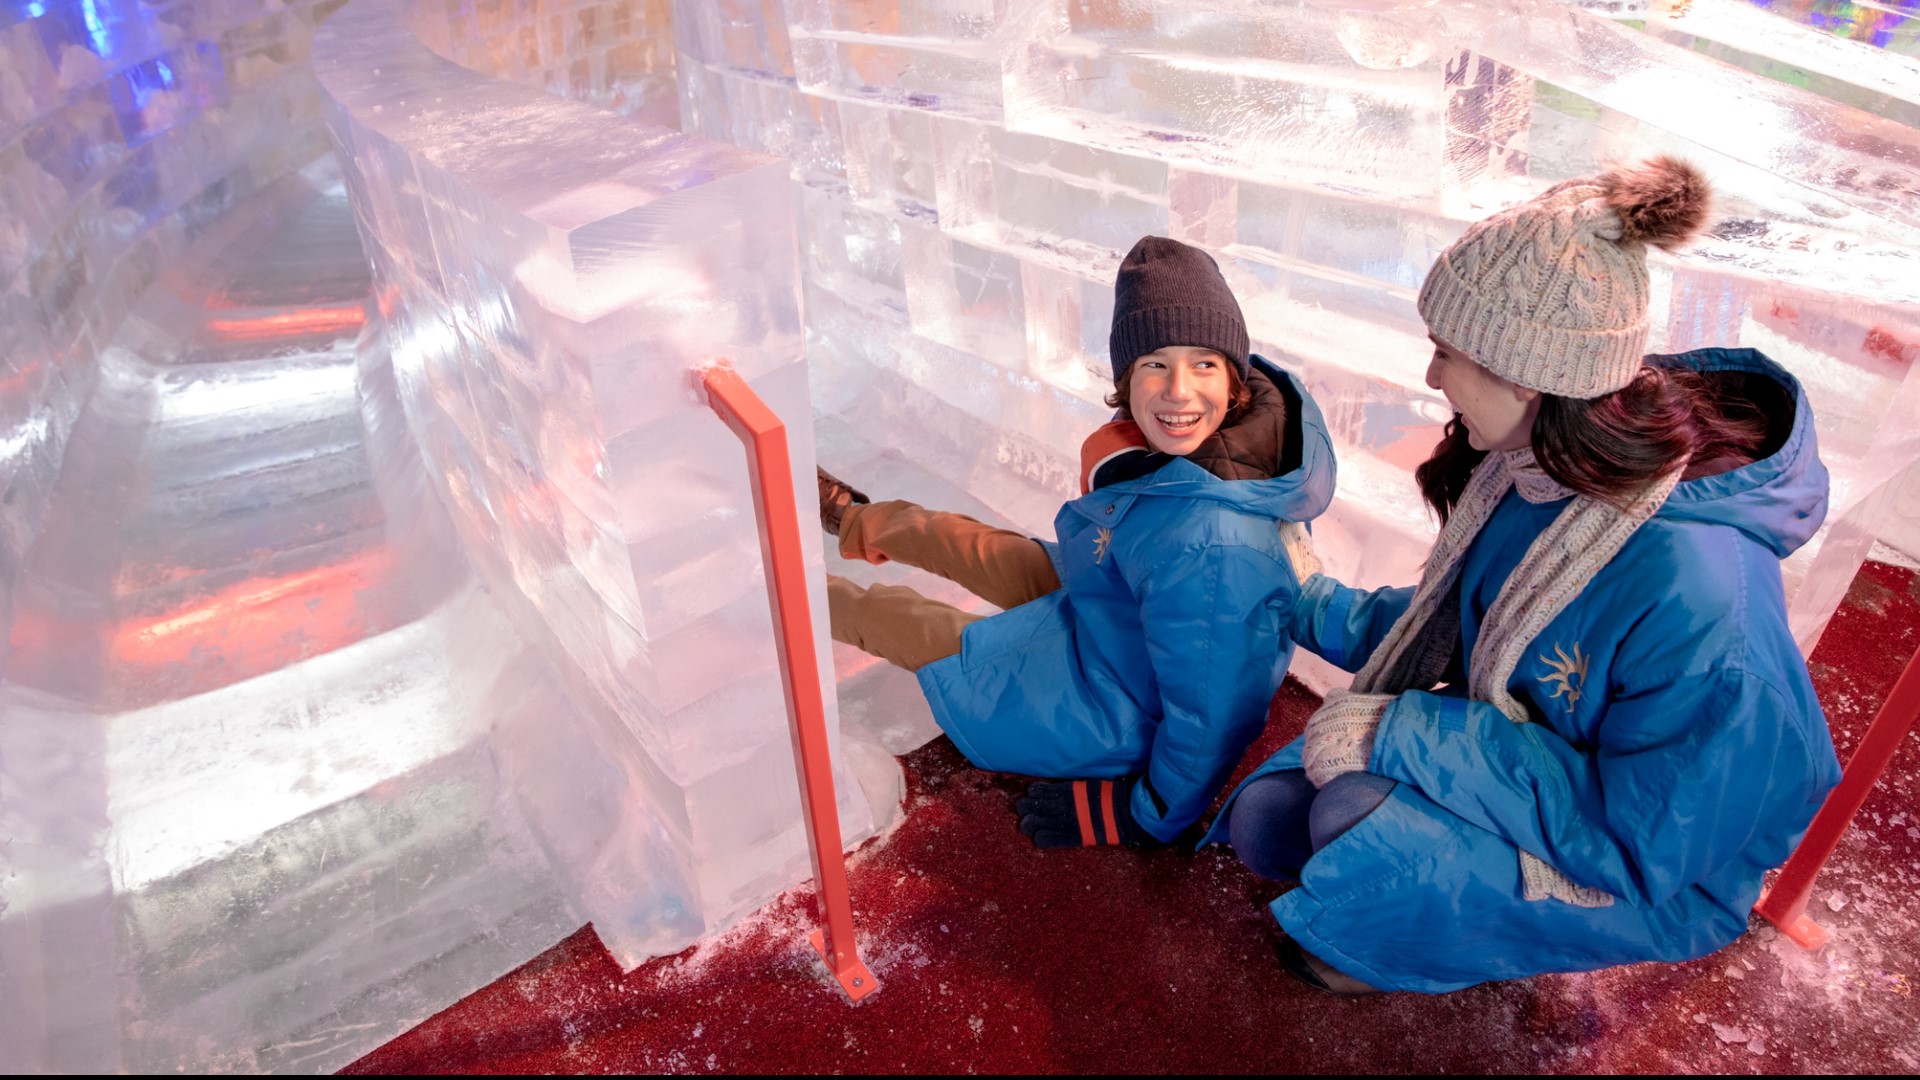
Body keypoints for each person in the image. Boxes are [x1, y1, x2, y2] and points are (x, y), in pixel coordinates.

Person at [1210, 157, 1842, 994]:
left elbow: (1648, 833)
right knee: (1269, 823)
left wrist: (1401, 733)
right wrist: (1307, 598)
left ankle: (1398, 941)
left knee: (1348, 822)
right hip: (1543, 762)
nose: (1432, 379)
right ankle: (1399, 896)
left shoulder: (1702, 595)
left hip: (1659, 862)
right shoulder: (1539, 472)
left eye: (1448, 353)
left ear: (1527, 371)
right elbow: (1474, 626)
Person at [822, 236, 1335, 848]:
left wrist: (1139, 815)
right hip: (1122, 609)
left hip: (1117, 702)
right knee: (975, 544)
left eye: (1203, 362)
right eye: (1154, 363)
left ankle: (797, 594)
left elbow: (1208, 717)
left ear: (1234, 376)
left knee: (928, 636)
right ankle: (851, 517)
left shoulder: (1216, 549)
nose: (1178, 389)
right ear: (1126, 374)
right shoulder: (1213, 447)